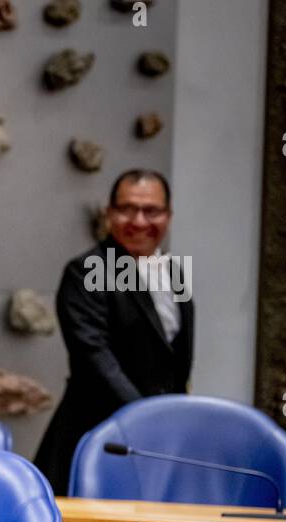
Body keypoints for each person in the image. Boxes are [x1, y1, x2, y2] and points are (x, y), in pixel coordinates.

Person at [34, 169, 195, 495]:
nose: (138, 221)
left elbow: (176, 358)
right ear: (109, 214)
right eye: (126, 209)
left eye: (151, 211)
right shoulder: (86, 270)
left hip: (159, 440)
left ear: (169, 216)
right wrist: (146, 418)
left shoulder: (174, 270)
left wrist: (175, 421)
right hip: (99, 435)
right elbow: (93, 356)